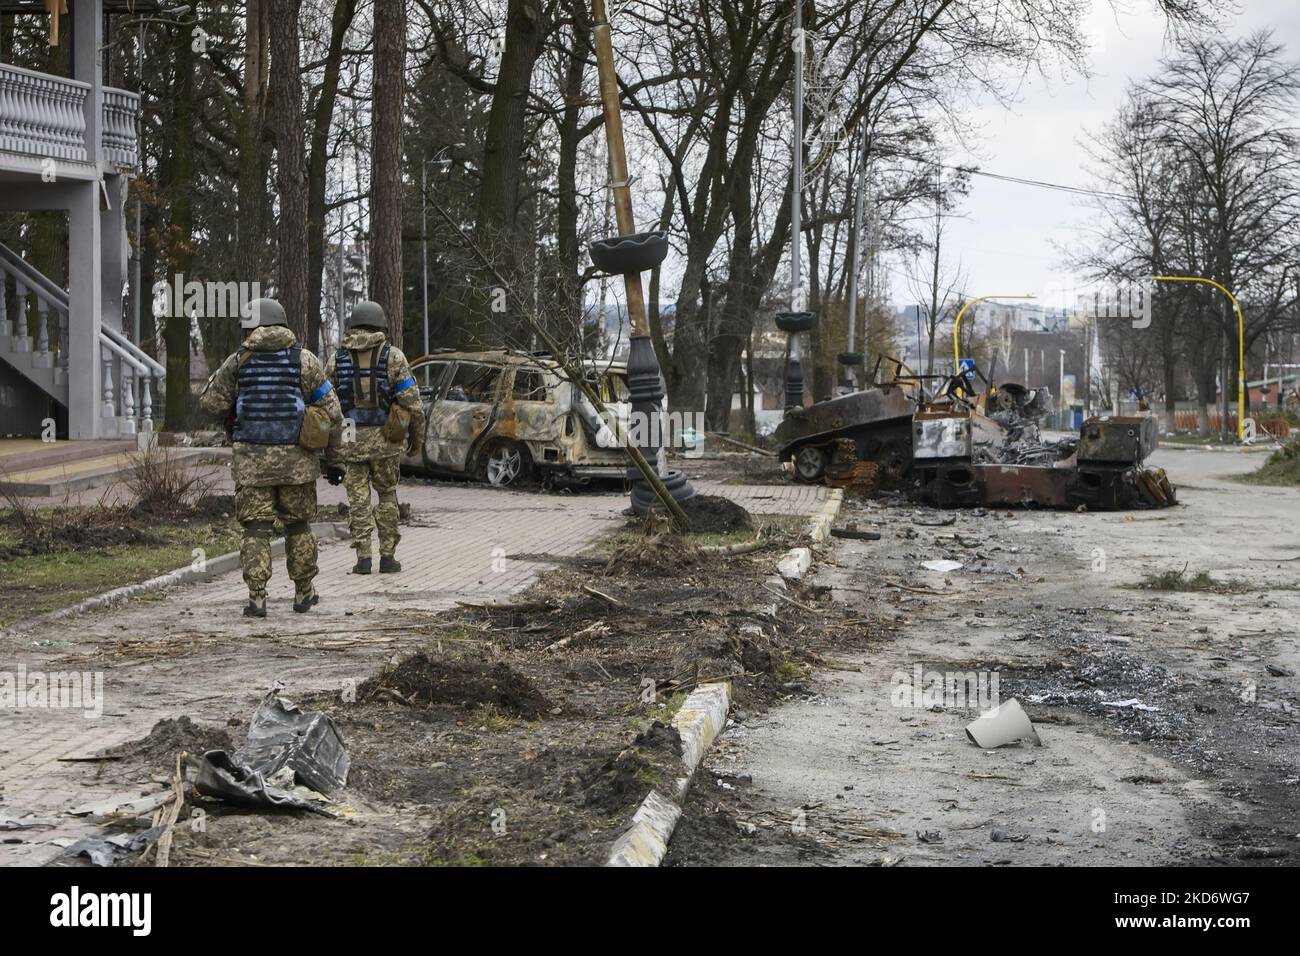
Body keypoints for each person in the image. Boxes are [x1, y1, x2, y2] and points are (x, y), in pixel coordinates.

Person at [200, 298, 342, 617]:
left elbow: (210, 403)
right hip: (298, 464)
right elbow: (333, 412)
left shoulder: (238, 361)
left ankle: (257, 598)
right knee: (299, 527)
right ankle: (304, 592)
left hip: (251, 463)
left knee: (256, 530)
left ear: (252, 327)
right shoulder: (304, 360)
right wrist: (335, 460)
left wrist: (234, 415)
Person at [324, 300, 425, 574]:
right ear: (381, 325)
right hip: (386, 440)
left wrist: (329, 453)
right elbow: (413, 404)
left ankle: (363, 558)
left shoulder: (337, 359)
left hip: (350, 440)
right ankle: (388, 557)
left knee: (358, 500)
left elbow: (327, 408)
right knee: (387, 496)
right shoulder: (394, 357)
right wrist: (417, 441)